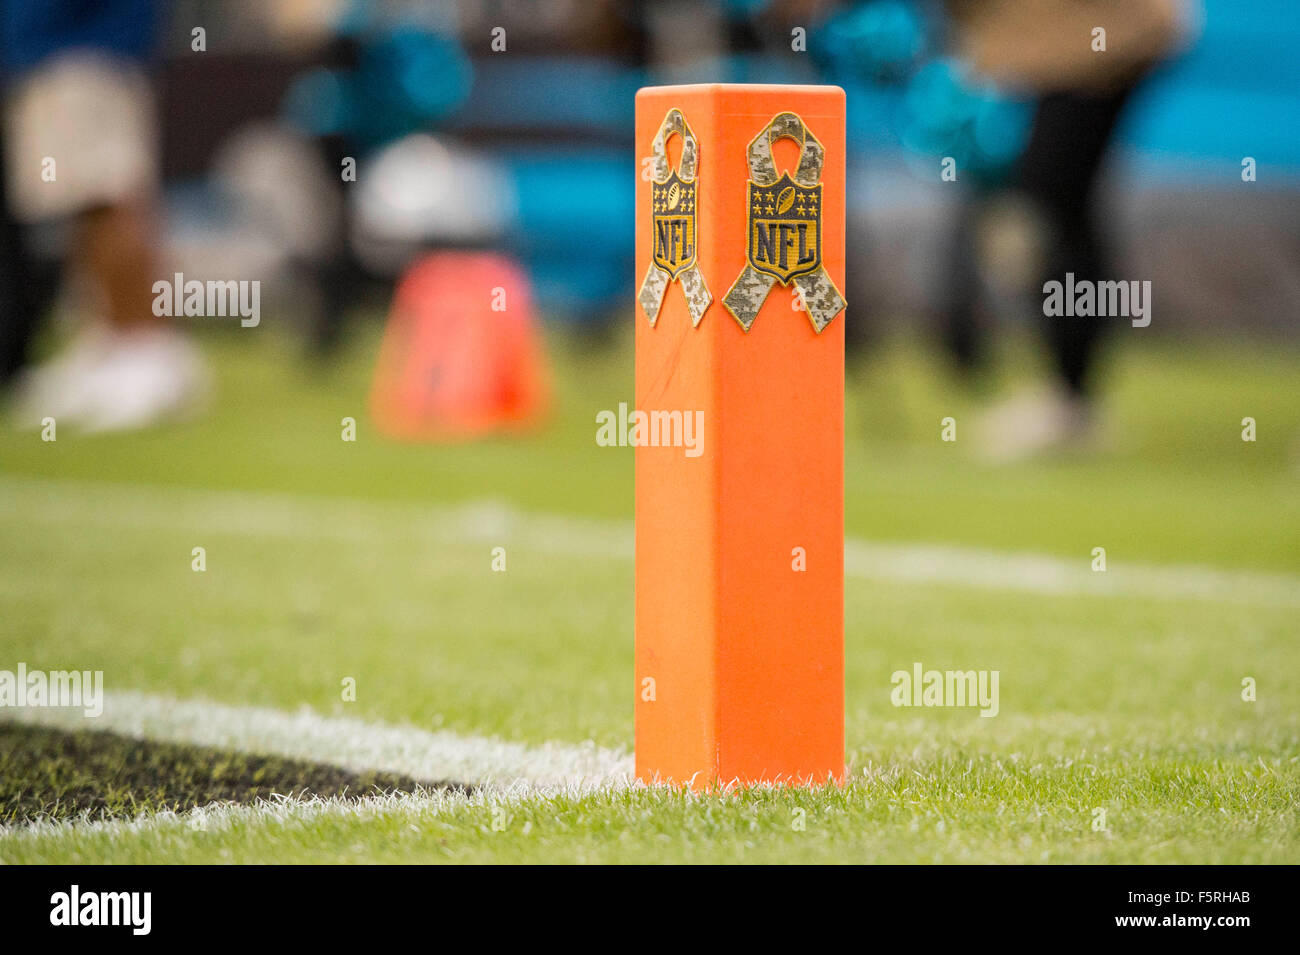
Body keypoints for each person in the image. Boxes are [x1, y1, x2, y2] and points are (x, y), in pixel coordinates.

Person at [1, 0, 206, 432]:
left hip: (86, 54)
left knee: (110, 200)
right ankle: (108, 344)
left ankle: (146, 350)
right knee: (81, 208)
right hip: (48, 57)